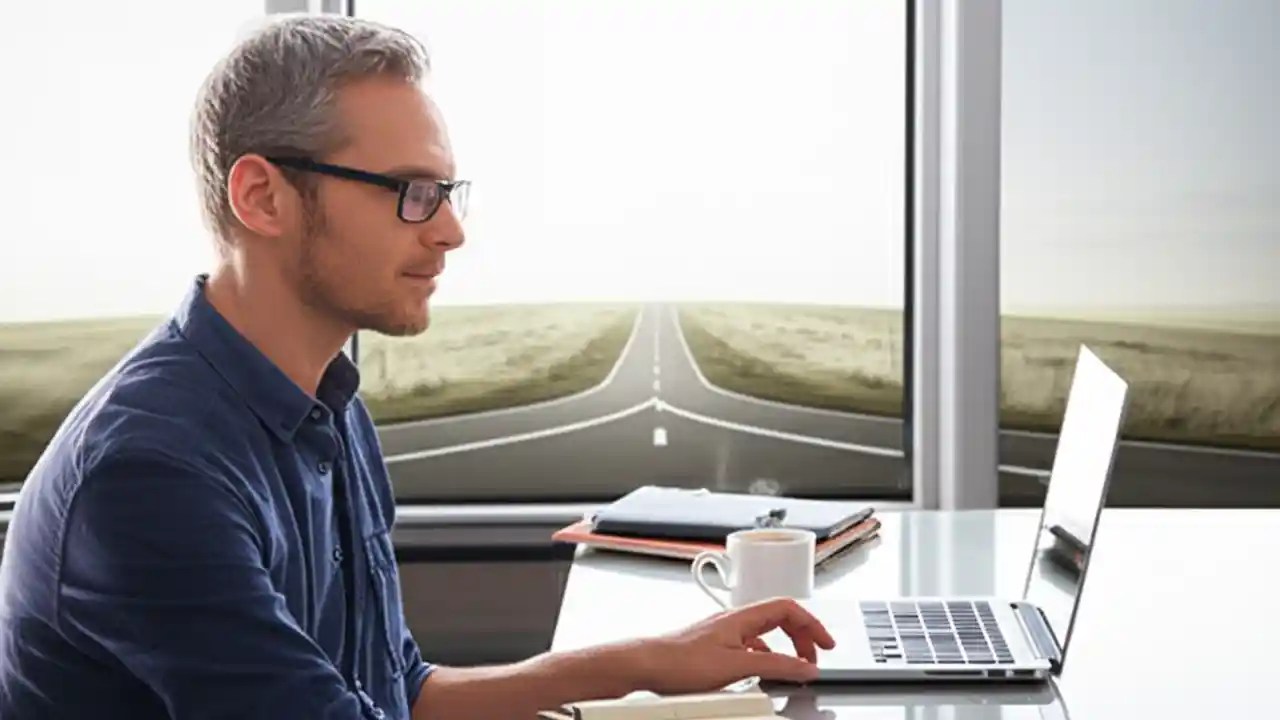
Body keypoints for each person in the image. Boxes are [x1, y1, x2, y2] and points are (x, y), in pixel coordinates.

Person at [0, 14, 834, 720]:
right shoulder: (150, 474)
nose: (448, 232)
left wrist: (643, 665)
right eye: (408, 192)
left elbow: (397, 692)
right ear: (261, 198)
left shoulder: (326, 405)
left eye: (446, 192)